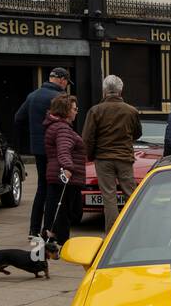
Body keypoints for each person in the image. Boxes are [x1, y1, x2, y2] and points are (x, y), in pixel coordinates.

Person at [13, 66, 70, 239]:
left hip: (37, 149)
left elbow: (18, 118)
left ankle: (33, 229)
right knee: (54, 189)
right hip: (54, 149)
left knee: (41, 188)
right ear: (61, 79)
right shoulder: (59, 97)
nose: (66, 85)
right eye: (67, 82)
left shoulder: (33, 95)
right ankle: (48, 230)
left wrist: (34, 133)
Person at [81, 75, 142, 229]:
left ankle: (112, 233)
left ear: (104, 91)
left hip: (103, 158)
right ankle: (136, 227)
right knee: (131, 194)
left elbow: (87, 138)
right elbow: (137, 133)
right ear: (121, 91)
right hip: (124, 157)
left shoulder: (95, 111)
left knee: (109, 197)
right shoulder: (131, 111)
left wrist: (90, 156)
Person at [43, 94, 85, 250]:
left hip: (56, 175)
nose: (76, 111)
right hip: (65, 177)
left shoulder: (56, 126)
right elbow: (63, 150)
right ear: (66, 110)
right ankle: (60, 243)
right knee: (67, 213)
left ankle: (50, 241)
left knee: (59, 211)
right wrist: (67, 168)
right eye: (74, 109)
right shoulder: (62, 128)